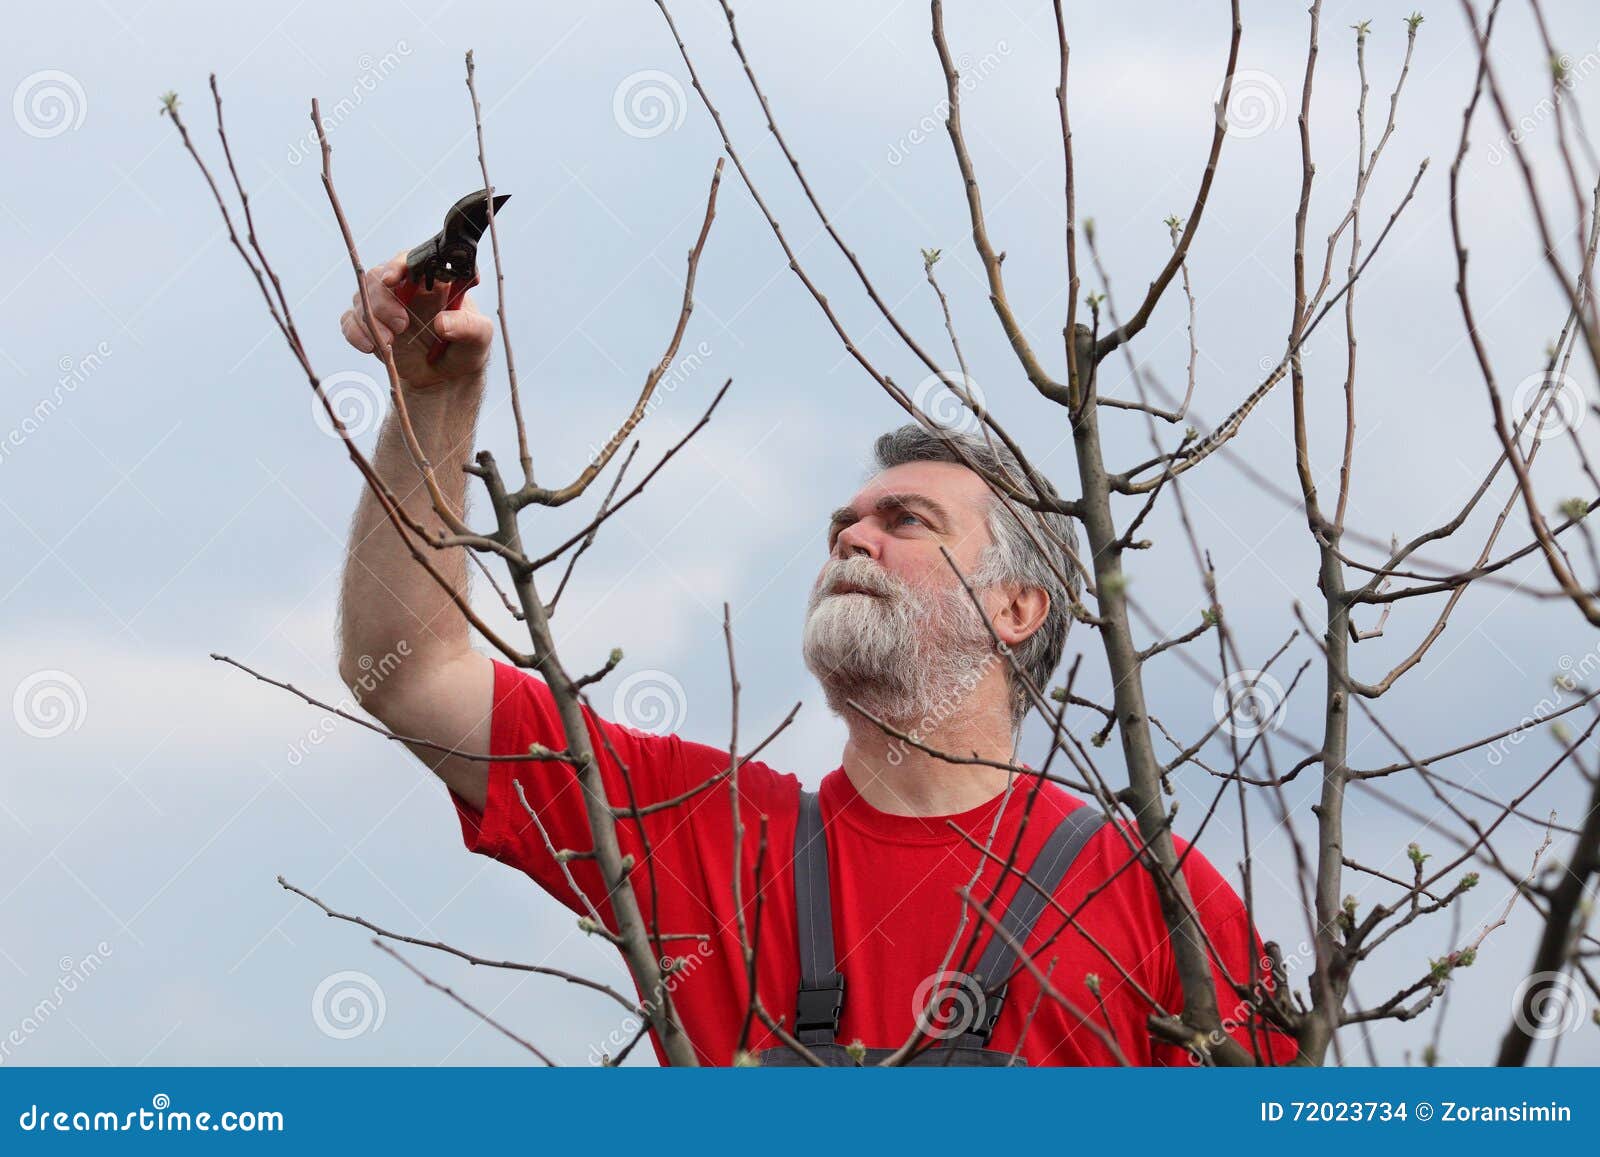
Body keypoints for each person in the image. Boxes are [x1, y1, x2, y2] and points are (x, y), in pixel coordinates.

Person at [337, 258, 1296, 1066]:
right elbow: (409, 669)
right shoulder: (699, 832)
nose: (853, 539)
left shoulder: (1148, 892)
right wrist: (433, 400)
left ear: (1016, 606)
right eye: (842, 525)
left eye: (904, 521)